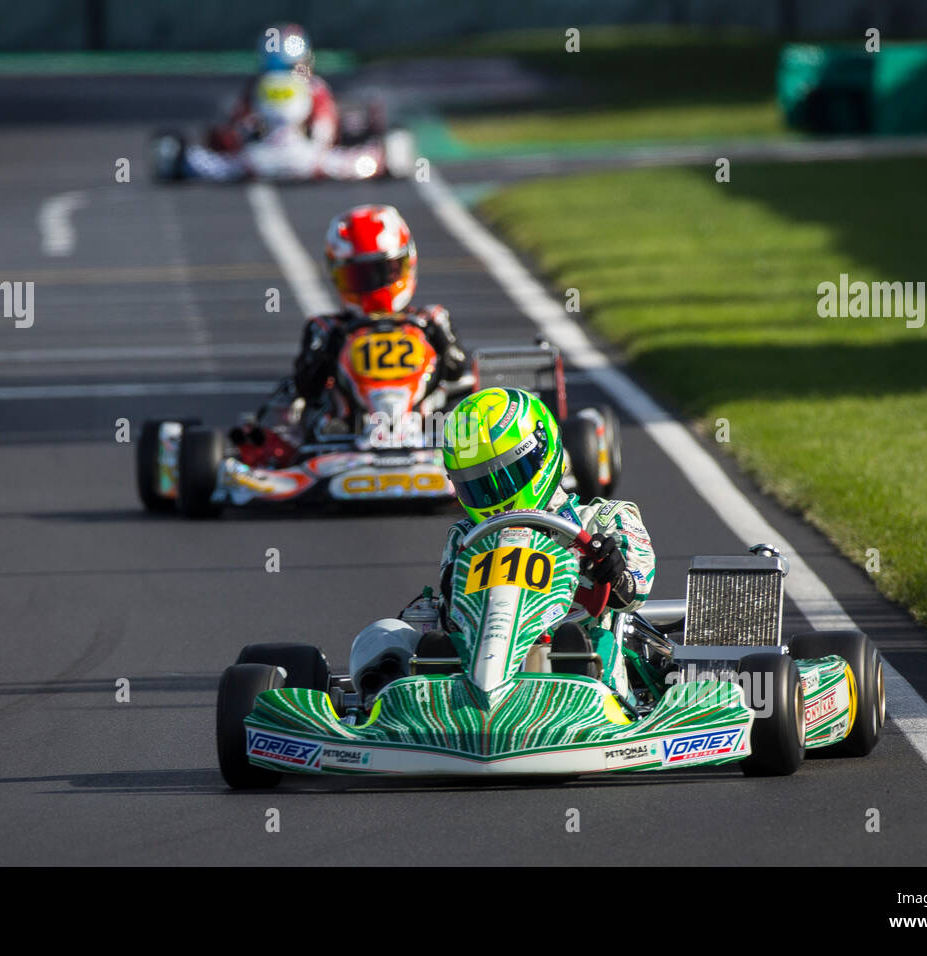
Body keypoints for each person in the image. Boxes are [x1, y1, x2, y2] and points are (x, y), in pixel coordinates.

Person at [348, 386, 653, 701]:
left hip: (573, 653)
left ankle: (606, 706)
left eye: (503, 478)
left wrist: (614, 575)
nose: (494, 497)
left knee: (594, 641)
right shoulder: (466, 536)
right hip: (481, 659)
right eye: (477, 486)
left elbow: (637, 590)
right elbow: (453, 619)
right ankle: (396, 707)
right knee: (385, 635)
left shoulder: (604, 520)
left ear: (541, 452)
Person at [232, 204, 467, 462]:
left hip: (428, 422)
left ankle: (453, 437)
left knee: (472, 388)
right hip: (345, 431)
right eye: (359, 277)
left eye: (384, 271)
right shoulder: (328, 328)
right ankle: (282, 450)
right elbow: (307, 387)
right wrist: (328, 348)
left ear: (407, 262)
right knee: (295, 399)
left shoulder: (430, 319)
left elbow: (457, 370)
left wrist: (440, 340)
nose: (373, 286)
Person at [207, 23, 339, 154]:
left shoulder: (313, 87)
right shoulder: (256, 87)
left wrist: (317, 142)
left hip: (307, 152)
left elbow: (325, 124)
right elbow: (238, 126)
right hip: (260, 153)